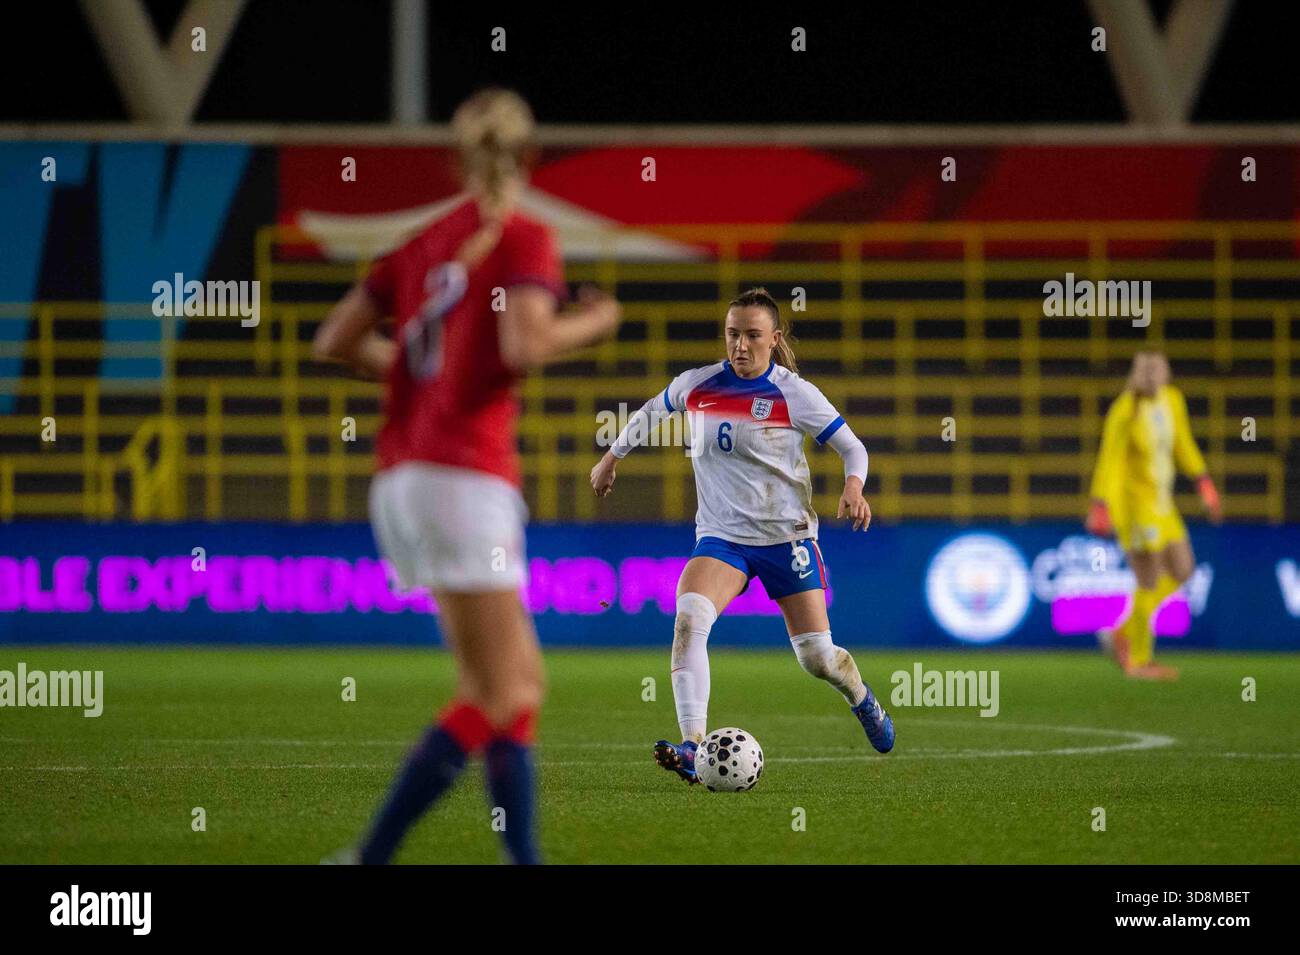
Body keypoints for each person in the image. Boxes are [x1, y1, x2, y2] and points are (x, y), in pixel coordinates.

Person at [314, 89, 620, 862]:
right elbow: (523, 345)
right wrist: (597, 321)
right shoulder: (523, 237)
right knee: (500, 692)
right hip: (464, 477)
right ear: (530, 158)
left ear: (456, 159)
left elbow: (334, 341)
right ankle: (367, 856)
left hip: (404, 479)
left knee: (520, 687)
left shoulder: (423, 243)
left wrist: (421, 382)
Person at [589, 287, 893, 784]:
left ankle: (861, 698)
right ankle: (692, 746)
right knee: (688, 621)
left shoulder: (795, 393)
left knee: (817, 659)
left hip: (786, 539)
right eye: (733, 334)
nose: (740, 345)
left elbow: (852, 447)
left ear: (774, 339)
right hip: (722, 539)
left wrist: (854, 487)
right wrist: (610, 458)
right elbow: (650, 412)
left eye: (752, 335)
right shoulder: (698, 384)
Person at [1086, 350, 1221, 680]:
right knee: (1148, 578)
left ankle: (1122, 632)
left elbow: (1183, 443)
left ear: (1166, 373)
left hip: (1163, 504)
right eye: (1146, 372)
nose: (1151, 377)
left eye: (1157, 370)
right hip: (1134, 506)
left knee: (1183, 569)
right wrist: (1100, 504)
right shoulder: (1125, 410)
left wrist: (1203, 480)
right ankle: (1139, 661)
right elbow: (1110, 458)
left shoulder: (1172, 400)